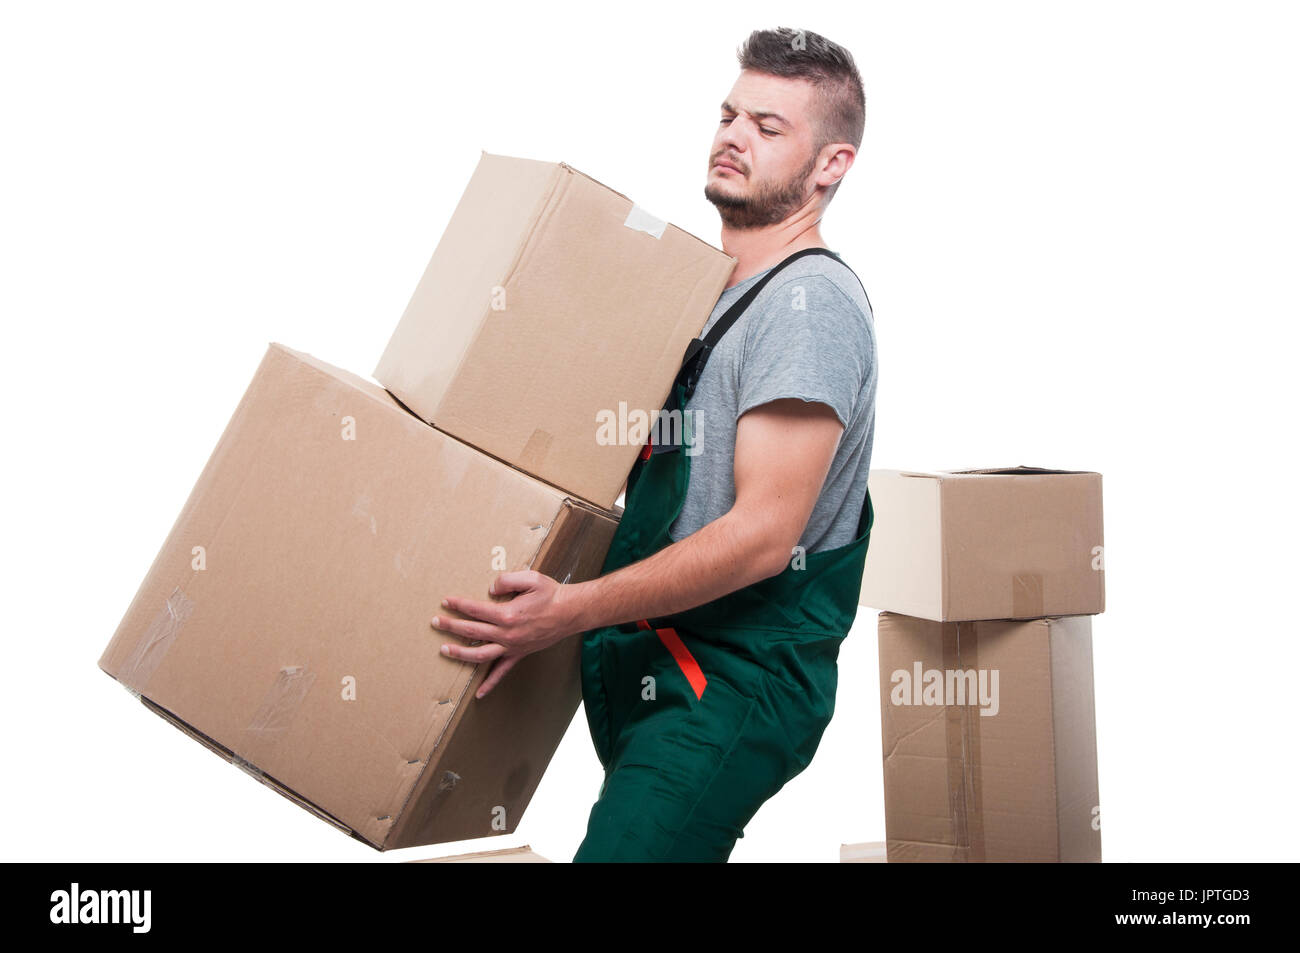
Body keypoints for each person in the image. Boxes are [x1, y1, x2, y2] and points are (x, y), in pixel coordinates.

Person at [431, 26, 877, 862]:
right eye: (729, 115)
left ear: (831, 165)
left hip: (735, 676)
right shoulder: (709, 291)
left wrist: (567, 611)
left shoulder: (808, 307)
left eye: (768, 127)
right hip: (660, 654)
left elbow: (763, 534)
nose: (733, 137)